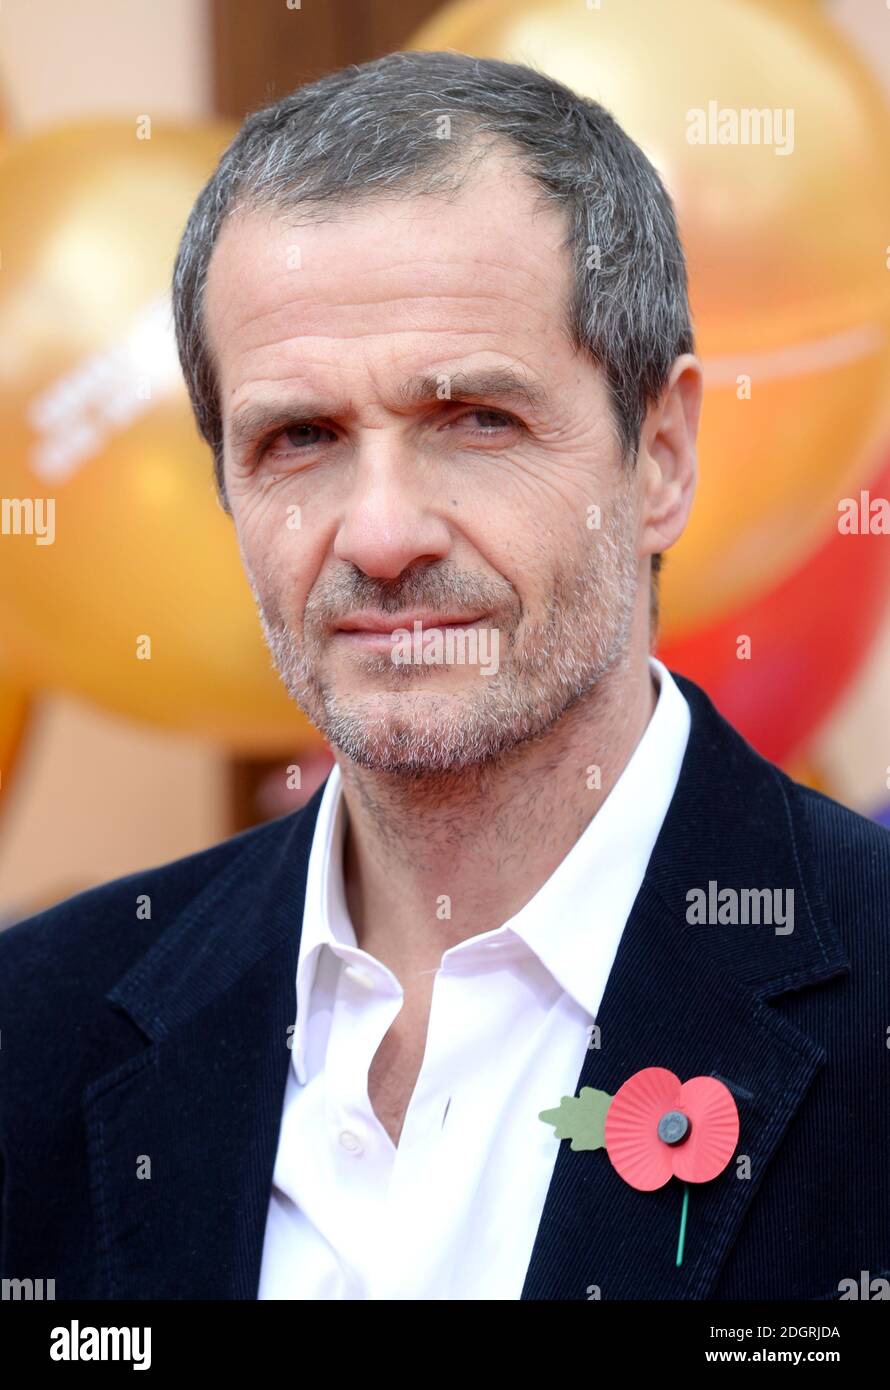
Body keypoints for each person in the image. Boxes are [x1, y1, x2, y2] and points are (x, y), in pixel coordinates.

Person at [1, 50, 887, 1302]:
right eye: (297, 438)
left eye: (475, 419)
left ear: (662, 456)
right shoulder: (37, 1028)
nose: (378, 534)